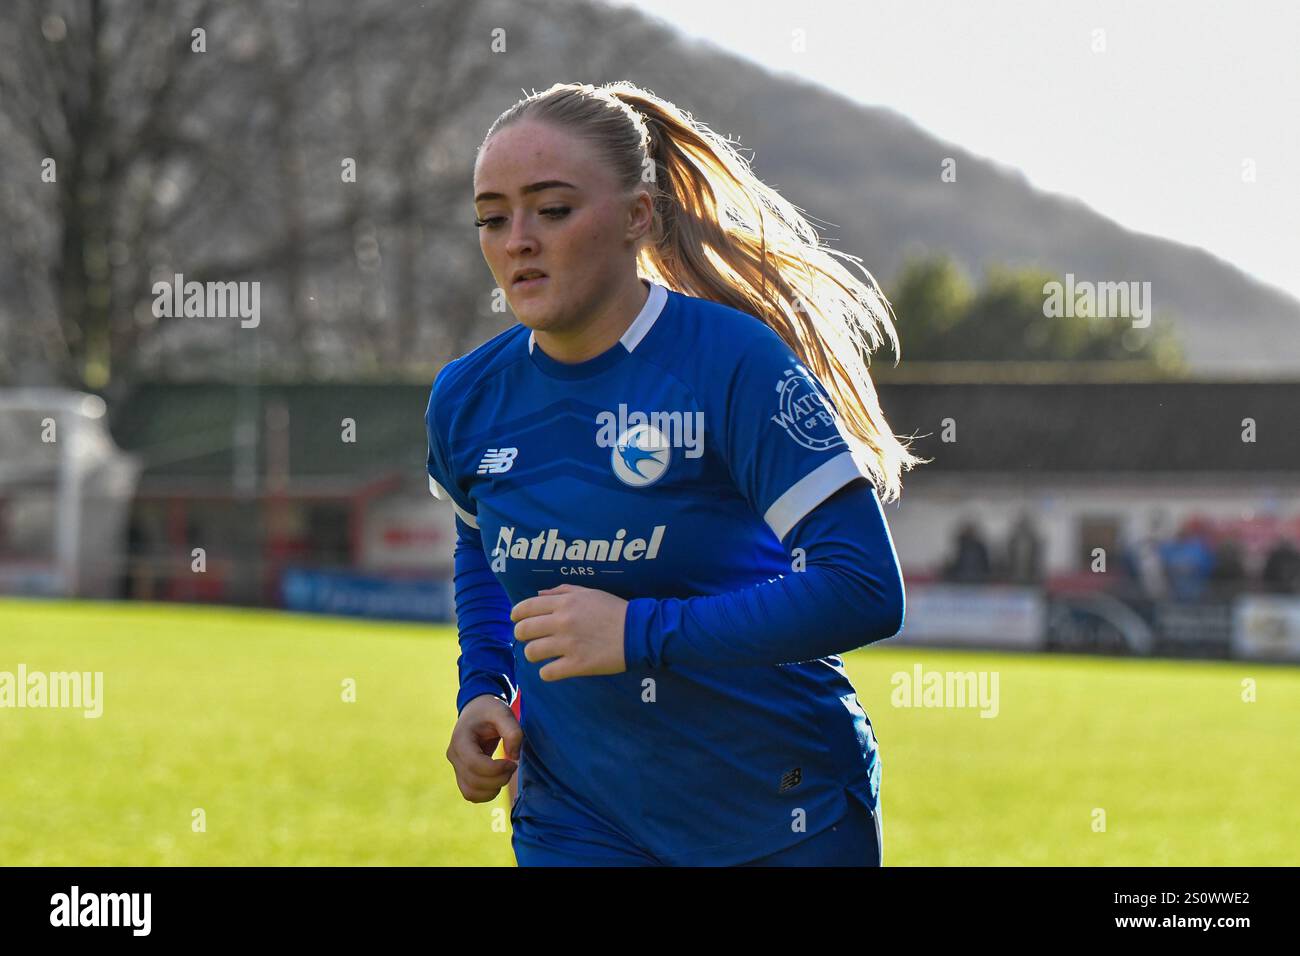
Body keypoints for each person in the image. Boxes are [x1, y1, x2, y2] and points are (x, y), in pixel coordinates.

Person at [429, 82, 920, 866]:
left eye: (552, 210)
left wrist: (637, 632)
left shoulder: (733, 364)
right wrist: (482, 687)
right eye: (493, 217)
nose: (517, 238)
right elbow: (482, 554)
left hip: (779, 812)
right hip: (578, 818)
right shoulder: (468, 398)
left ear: (637, 217)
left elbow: (863, 588)